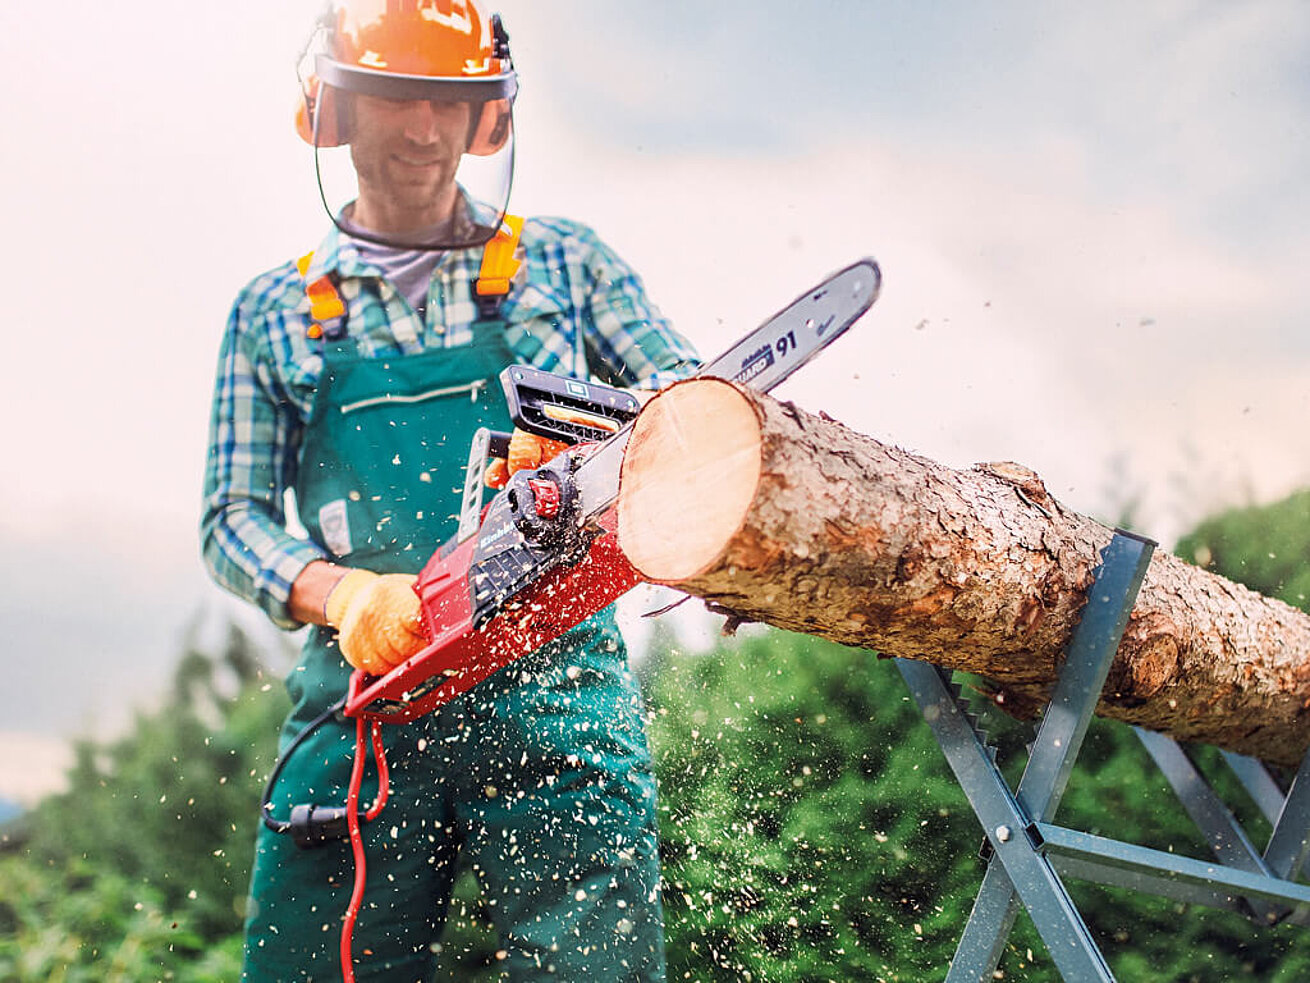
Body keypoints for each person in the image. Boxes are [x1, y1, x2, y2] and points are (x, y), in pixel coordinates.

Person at [200, 2, 699, 979]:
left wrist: (588, 435)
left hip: (553, 680)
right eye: (394, 99)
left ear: (487, 118)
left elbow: (690, 400)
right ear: (336, 111)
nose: (425, 130)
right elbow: (230, 517)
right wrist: (342, 595)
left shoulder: (565, 263)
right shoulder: (274, 312)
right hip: (368, 687)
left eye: (448, 101)